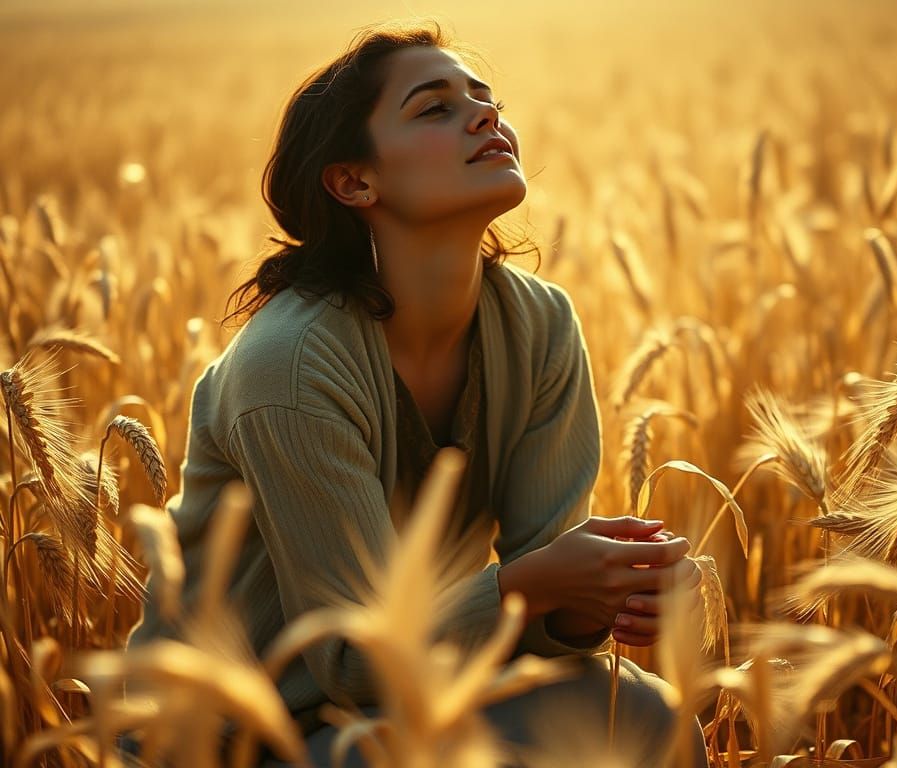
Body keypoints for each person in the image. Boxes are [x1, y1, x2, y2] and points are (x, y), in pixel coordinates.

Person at [125, 19, 709, 768]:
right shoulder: (292, 366)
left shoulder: (540, 326)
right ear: (354, 181)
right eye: (435, 107)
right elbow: (349, 658)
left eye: (487, 100)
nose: (485, 115)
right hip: (238, 739)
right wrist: (537, 585)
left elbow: (539, 612)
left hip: (425, 694)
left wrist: (609, 599)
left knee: (648, 719)